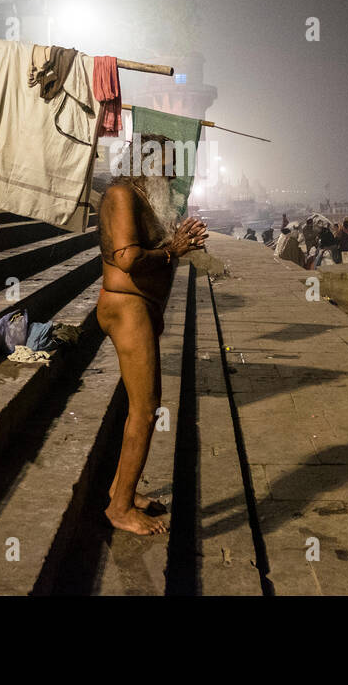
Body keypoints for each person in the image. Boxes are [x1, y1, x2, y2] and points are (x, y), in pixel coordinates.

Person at [97, 144, 208, 534]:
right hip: (126, 307)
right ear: (144, 164)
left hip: (140, 308)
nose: (172, 178)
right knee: (146, 409)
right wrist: (171, 250)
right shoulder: (120, 195)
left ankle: (118, 490)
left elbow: (151, 251)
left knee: (142, 406)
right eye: (166, 169)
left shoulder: (139, 199)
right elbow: (127, 257)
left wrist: (181, 242)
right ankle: (119, 509)